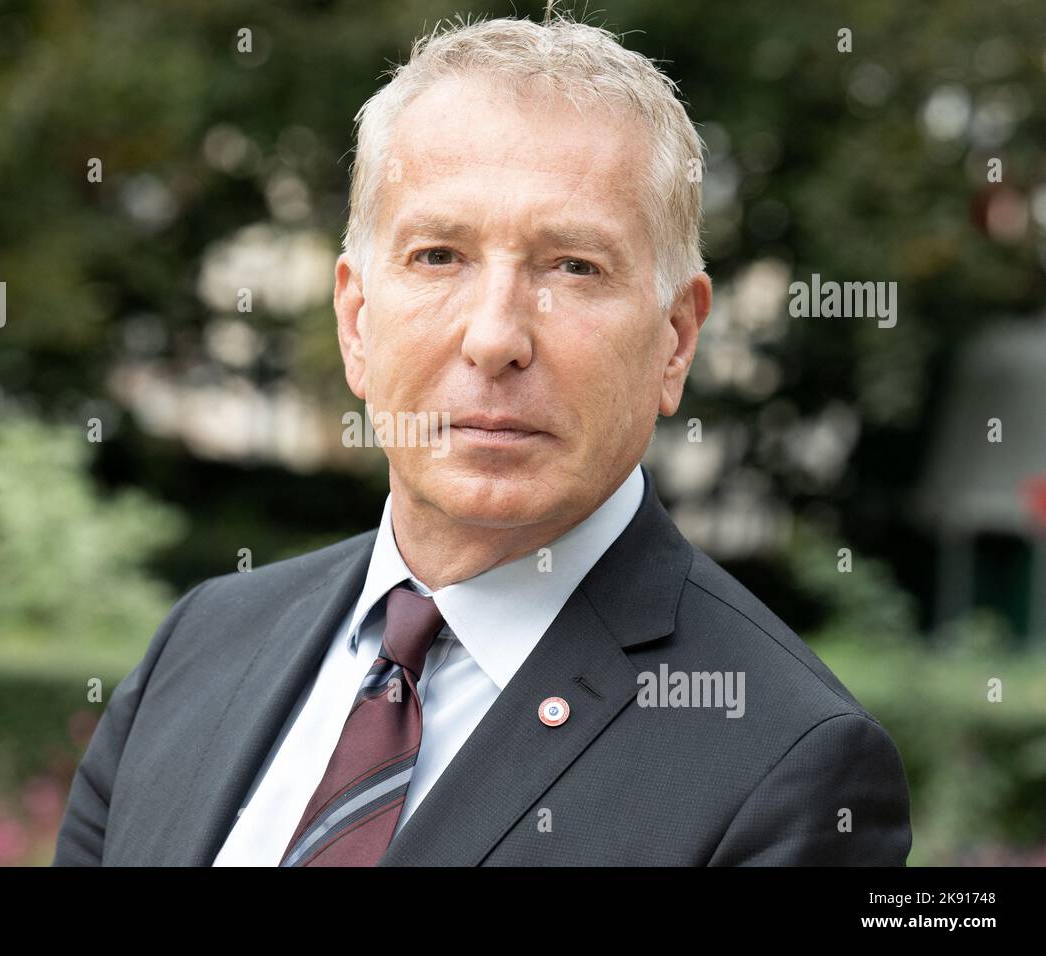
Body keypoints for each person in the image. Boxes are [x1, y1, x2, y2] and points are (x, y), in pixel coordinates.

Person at [54, 13, 911, 867]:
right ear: (356, 324)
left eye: (573, 266)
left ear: (675, 339)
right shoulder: (202, 644)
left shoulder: (789, 768)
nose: (496, 335)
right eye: (438, 256)